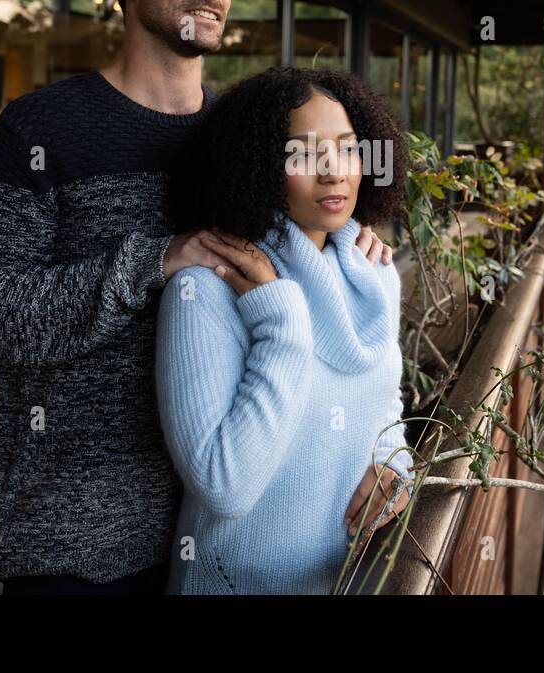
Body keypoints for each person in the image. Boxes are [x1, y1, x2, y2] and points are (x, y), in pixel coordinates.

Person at [0, 0, 393, 595]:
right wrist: (150, 262)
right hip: (78, 537)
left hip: (224, 532)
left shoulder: (244, 139)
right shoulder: (43, 129)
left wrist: (356, 245)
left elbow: (303, 250)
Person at [157, 66, 416, 594]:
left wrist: (397, 470)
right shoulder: (207, 290)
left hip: (337, 579)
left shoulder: (374, 275)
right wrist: (283, 322)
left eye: (347, 149)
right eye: (302, 154)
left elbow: (386, 407)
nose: (333, 172)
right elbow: (222, 486)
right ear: (258, 167)